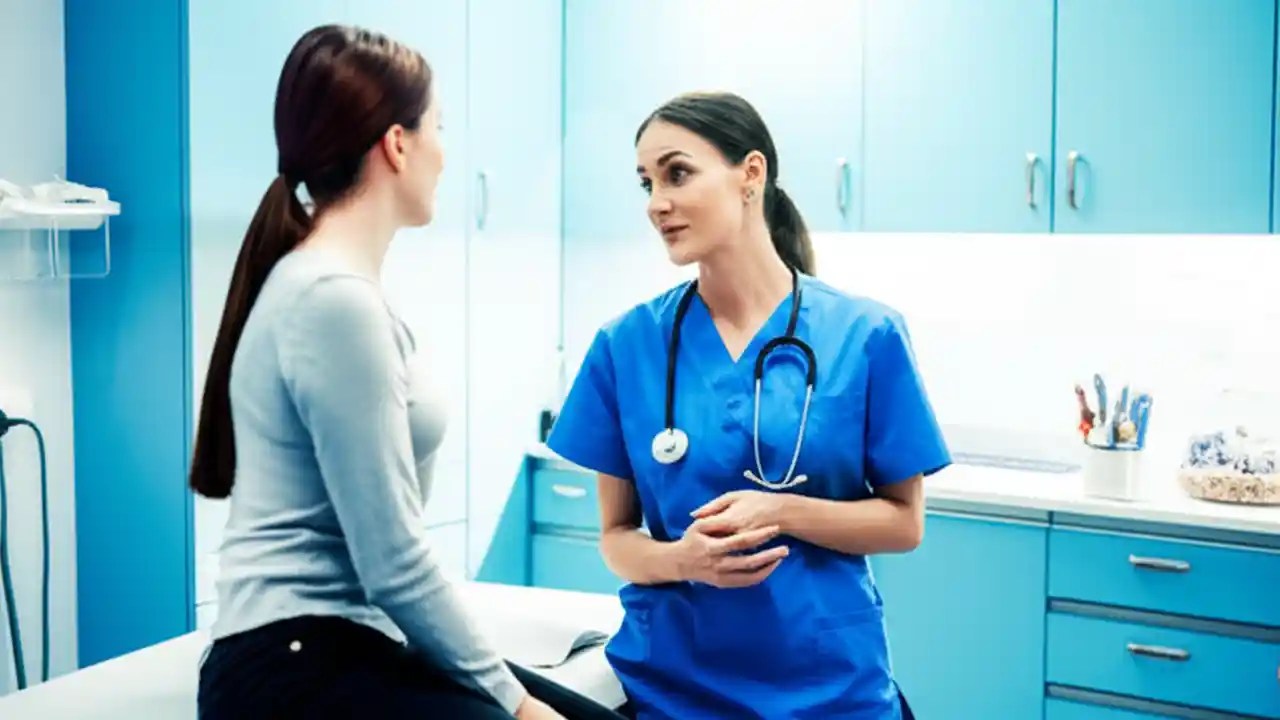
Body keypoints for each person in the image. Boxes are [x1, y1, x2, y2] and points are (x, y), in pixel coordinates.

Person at [189, 24, 622, 720]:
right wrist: (516, 704)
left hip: (343, 643)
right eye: (439, 129)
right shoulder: (332, 300)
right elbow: (390, 559)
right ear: (397, 144)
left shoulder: (340, 292)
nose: (445, 157)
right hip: (292, 664)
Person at [545, 90, 952, 719]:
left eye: (678, 173)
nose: (657, 203)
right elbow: (616, 539)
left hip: (830, 691)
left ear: (751, 174)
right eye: (646, 182)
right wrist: (683, 559)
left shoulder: (866, 334)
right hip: (674, 693)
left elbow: (904, 522)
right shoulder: (626, 346)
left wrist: (780, 511)